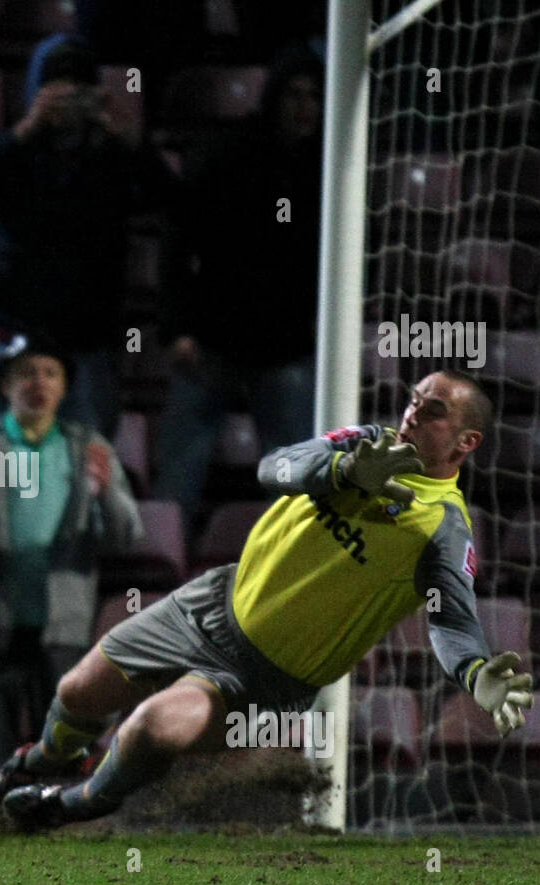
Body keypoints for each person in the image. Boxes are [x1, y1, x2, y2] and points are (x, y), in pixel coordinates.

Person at [0, 370, 536, 829]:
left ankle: (71, 806)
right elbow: (275, 467)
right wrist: (342, 470)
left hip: (265, 676)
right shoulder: (364, 442)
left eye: (433, 410)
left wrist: (474, 672)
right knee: (78, 691)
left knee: (153, 728)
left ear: (467, 442)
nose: (412, 414)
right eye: (414, 400)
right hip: (213, 603)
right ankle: (42, 760)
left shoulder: (443, 527)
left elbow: (451, 620)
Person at [0, 332, 143, 771]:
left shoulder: (90, 449)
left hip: (60, 628)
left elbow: (125, 537)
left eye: (50, 373)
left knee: (62, 752)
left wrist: (106, 497)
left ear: (64, 386)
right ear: (4, 386)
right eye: (26, 373)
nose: (38, 382)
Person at [0, 33, 176, 437]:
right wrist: (26, 129)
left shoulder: (112, 155)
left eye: (79, 87)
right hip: (12, 331)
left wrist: (132, 141)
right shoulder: (15, 152)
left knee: (87, 465)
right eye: (57, 86)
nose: (69, 98)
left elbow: (170, 200)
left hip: (88, 343)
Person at [154, 43, 325, 533]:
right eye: (293, 94)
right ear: (273, 97)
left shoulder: (332, 166)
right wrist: (176, 329)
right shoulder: (225, 154)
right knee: (178, 474)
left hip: (287, 345)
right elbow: (176, 243)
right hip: (211, 338)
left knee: (294, 486)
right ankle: (158, 571)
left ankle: (288, 579)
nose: (303, 107)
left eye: (313, 96)